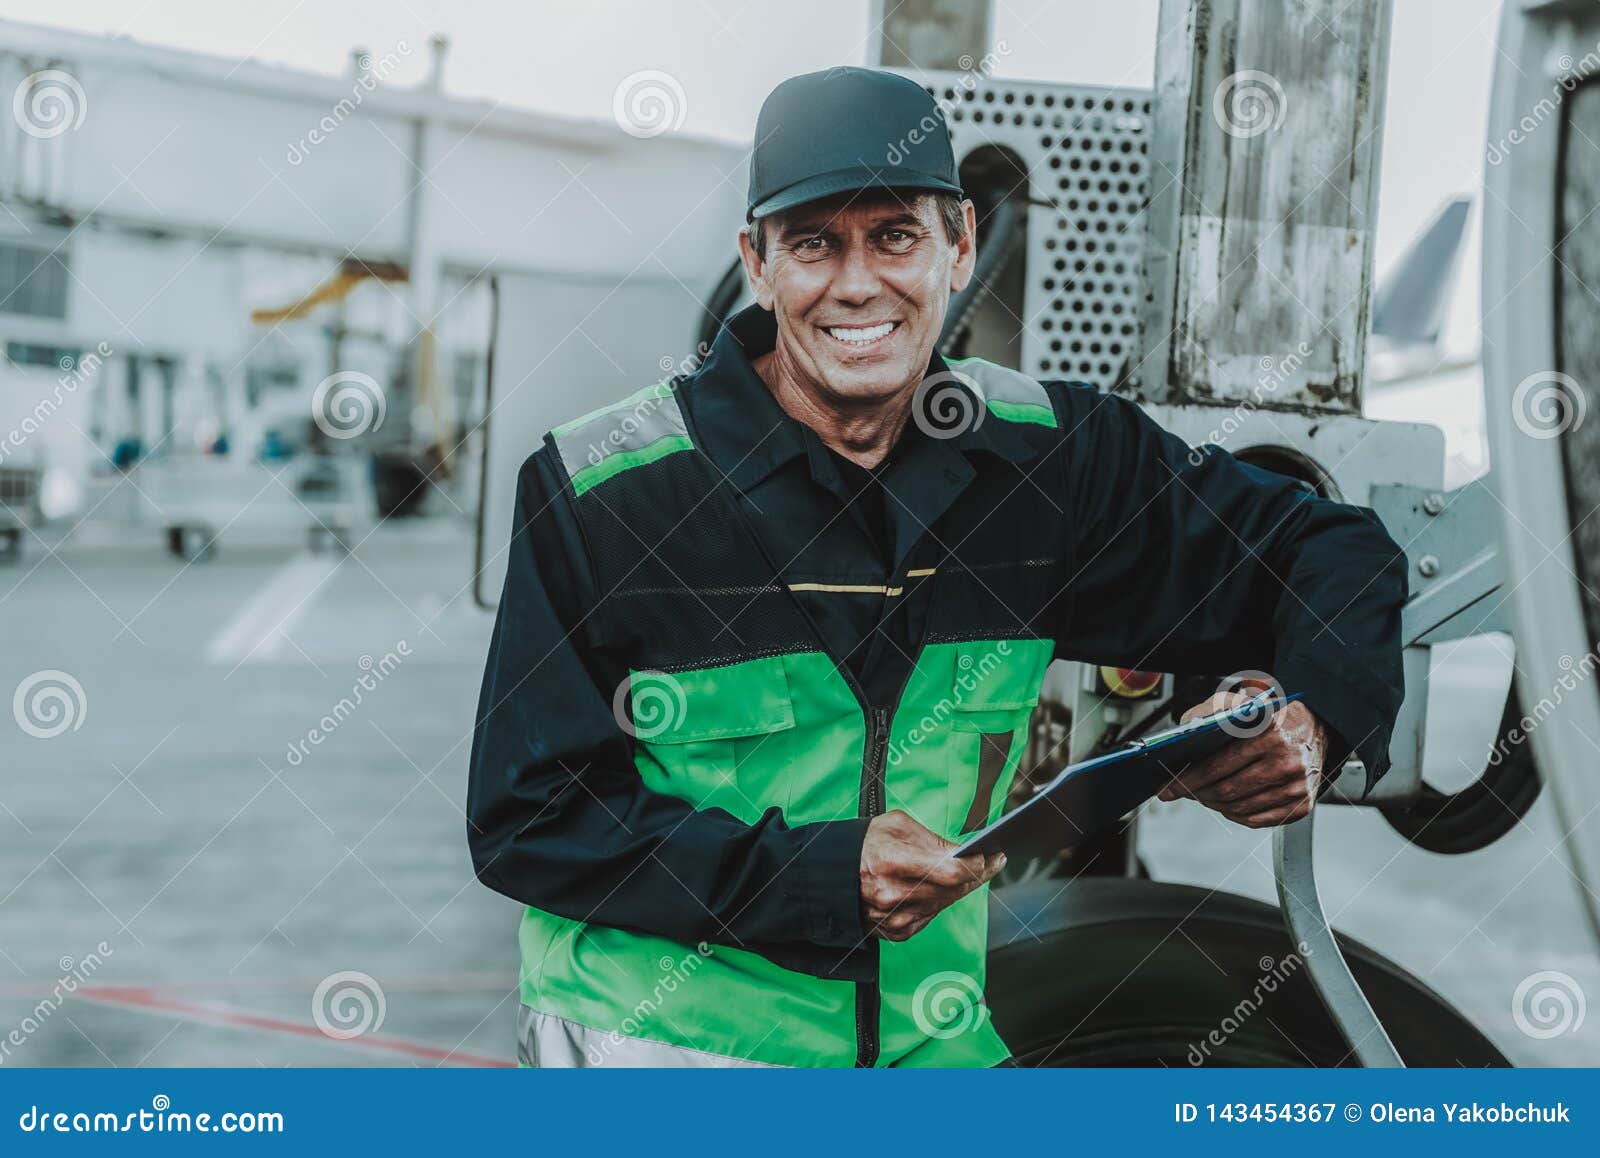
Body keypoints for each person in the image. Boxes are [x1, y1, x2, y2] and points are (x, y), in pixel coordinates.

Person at [466, 66, 1407, 1068]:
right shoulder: (608, 494)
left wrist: (1312, 717)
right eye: (814, 243)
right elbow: (530, 818)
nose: (856, 283)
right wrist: (821, 877)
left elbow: (1334, 552)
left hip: (930, 1043)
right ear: (757, 265)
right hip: (664, 1045)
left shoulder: (1049, 465)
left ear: (959, 249)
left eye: (894, 236)